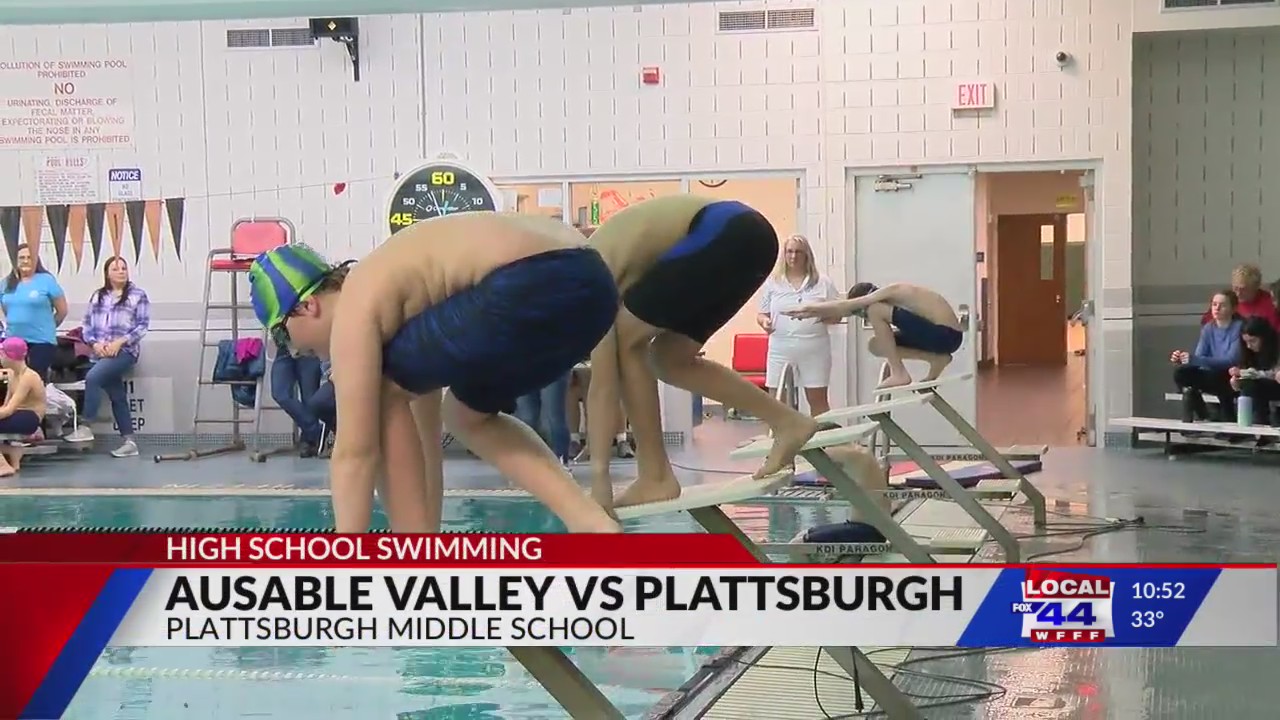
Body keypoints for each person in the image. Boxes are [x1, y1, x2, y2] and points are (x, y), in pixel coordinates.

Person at [247, 214, 622, 534]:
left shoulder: (356, 305)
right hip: (594, 285)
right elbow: (424, 446)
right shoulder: (402, 296)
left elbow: (355, 454)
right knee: (465, 416)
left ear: (307, 306)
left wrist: (347, 562)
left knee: (380, 392)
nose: (296, 351)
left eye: (284, 335)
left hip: (532, 278)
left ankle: (415, 563)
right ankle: (591, 523)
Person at [585, 195, 819, 512]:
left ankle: (655, 475)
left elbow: (602, 386)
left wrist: (599, 479)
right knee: (669, 360)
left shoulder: (585, 284)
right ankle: (787, 421)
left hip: (723, 229)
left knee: (627, 341)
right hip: (752, 238)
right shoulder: (589, 272)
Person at [787, 281, 963, 388]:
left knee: (876, 310)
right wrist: (813, 314)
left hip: (946, 334)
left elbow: (850, 305)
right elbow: (846, 309)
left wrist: (809, 308)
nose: (868, 319)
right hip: (942, 338)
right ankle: (937, 359)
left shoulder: (892, 292)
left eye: (863, 314)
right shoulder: (894, 302)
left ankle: (899, 373)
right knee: (877, 346)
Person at [64, 256, 151, 457]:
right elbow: (87, 326)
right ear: (107, 273)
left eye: (124, 268)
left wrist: (119, 342)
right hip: (101, 353)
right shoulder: (98, 296)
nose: (121, 271)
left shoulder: (138, 295)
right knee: (117, 396)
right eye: (116, 268)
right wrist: (95, 344)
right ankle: (129, 442)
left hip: (125, 352)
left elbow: (142, 326)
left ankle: (86, 425)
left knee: (93, 378)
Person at [756, 234, 840, 416]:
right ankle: (781, 438)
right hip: (781, 345)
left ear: (807, 255)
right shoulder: (774, 282)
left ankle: (822, 440)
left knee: (817, 399)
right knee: (777, 400)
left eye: (798, 252)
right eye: (790, 252)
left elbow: (838, 315)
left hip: (814, 347)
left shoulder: (822, 282)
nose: (793, 257)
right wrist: (765, 322)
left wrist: (821, 315)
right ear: (784, 255)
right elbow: (762, 313)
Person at [1172, 289, 1242, 421]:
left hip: (1231, 375)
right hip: (1211, 373)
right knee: (1181, 373)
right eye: (1214, 304)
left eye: (1223, 305)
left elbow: (1231, 360)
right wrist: (1183, 359)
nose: (1217, 308)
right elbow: (1200, 356)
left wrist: (1197, 360)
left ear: (1233, 309)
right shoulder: (1208, 328)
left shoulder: (1239, 328)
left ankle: (1221, 418)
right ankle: (1204, 414)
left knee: (1217, 377)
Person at [0, 244, 67, 380]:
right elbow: (8, 311)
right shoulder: (5, 283)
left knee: (33, 380)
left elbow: (62, 311)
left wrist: (47, 326)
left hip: (41, 341)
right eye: (21, 258)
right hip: (14, 340)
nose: (25, 261)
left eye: (29, 257)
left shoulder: (46, 280)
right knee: (14, 380)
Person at [269, 337, 324, 457]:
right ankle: (316, 432)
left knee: (309, 399)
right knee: (280, 393)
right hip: (285, 348)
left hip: (308, 347)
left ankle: (309, 441)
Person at [0, 337, 47, 477]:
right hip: (18, 413)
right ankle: (11, 451)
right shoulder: (13, 374)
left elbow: (9, 410)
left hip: (30, 417)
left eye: (1, 355)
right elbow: (6, 405)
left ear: (10, 356)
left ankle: (3, 465)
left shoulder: (29, 377)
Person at [1230, 316, 1280, 426]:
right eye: (1246, 342)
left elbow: (1276, 372)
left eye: (1253, 341)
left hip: (1275, 385)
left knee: (1253, 387)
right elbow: (1245, 369)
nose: (1249, 346)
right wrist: (1237, 381)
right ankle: (1250, 424)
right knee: (1248, 386)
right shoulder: (1248, 352)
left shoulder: (1276, 347)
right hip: (1259, 387)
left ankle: (1257, 425)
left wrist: (1258, 374)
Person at [514, 372, 573, 464]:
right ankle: (524, 464)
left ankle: (560, 462)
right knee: (526, 418)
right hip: (522, 366)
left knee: (553, 416)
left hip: (553, 365)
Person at [1202, 264, 1279, 330]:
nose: (1238, 294)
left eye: (1243, 289)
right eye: (1235, 288)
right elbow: (1207, 323)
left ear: (1256, 286)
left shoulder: (1272, 303)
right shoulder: (1226, 298)